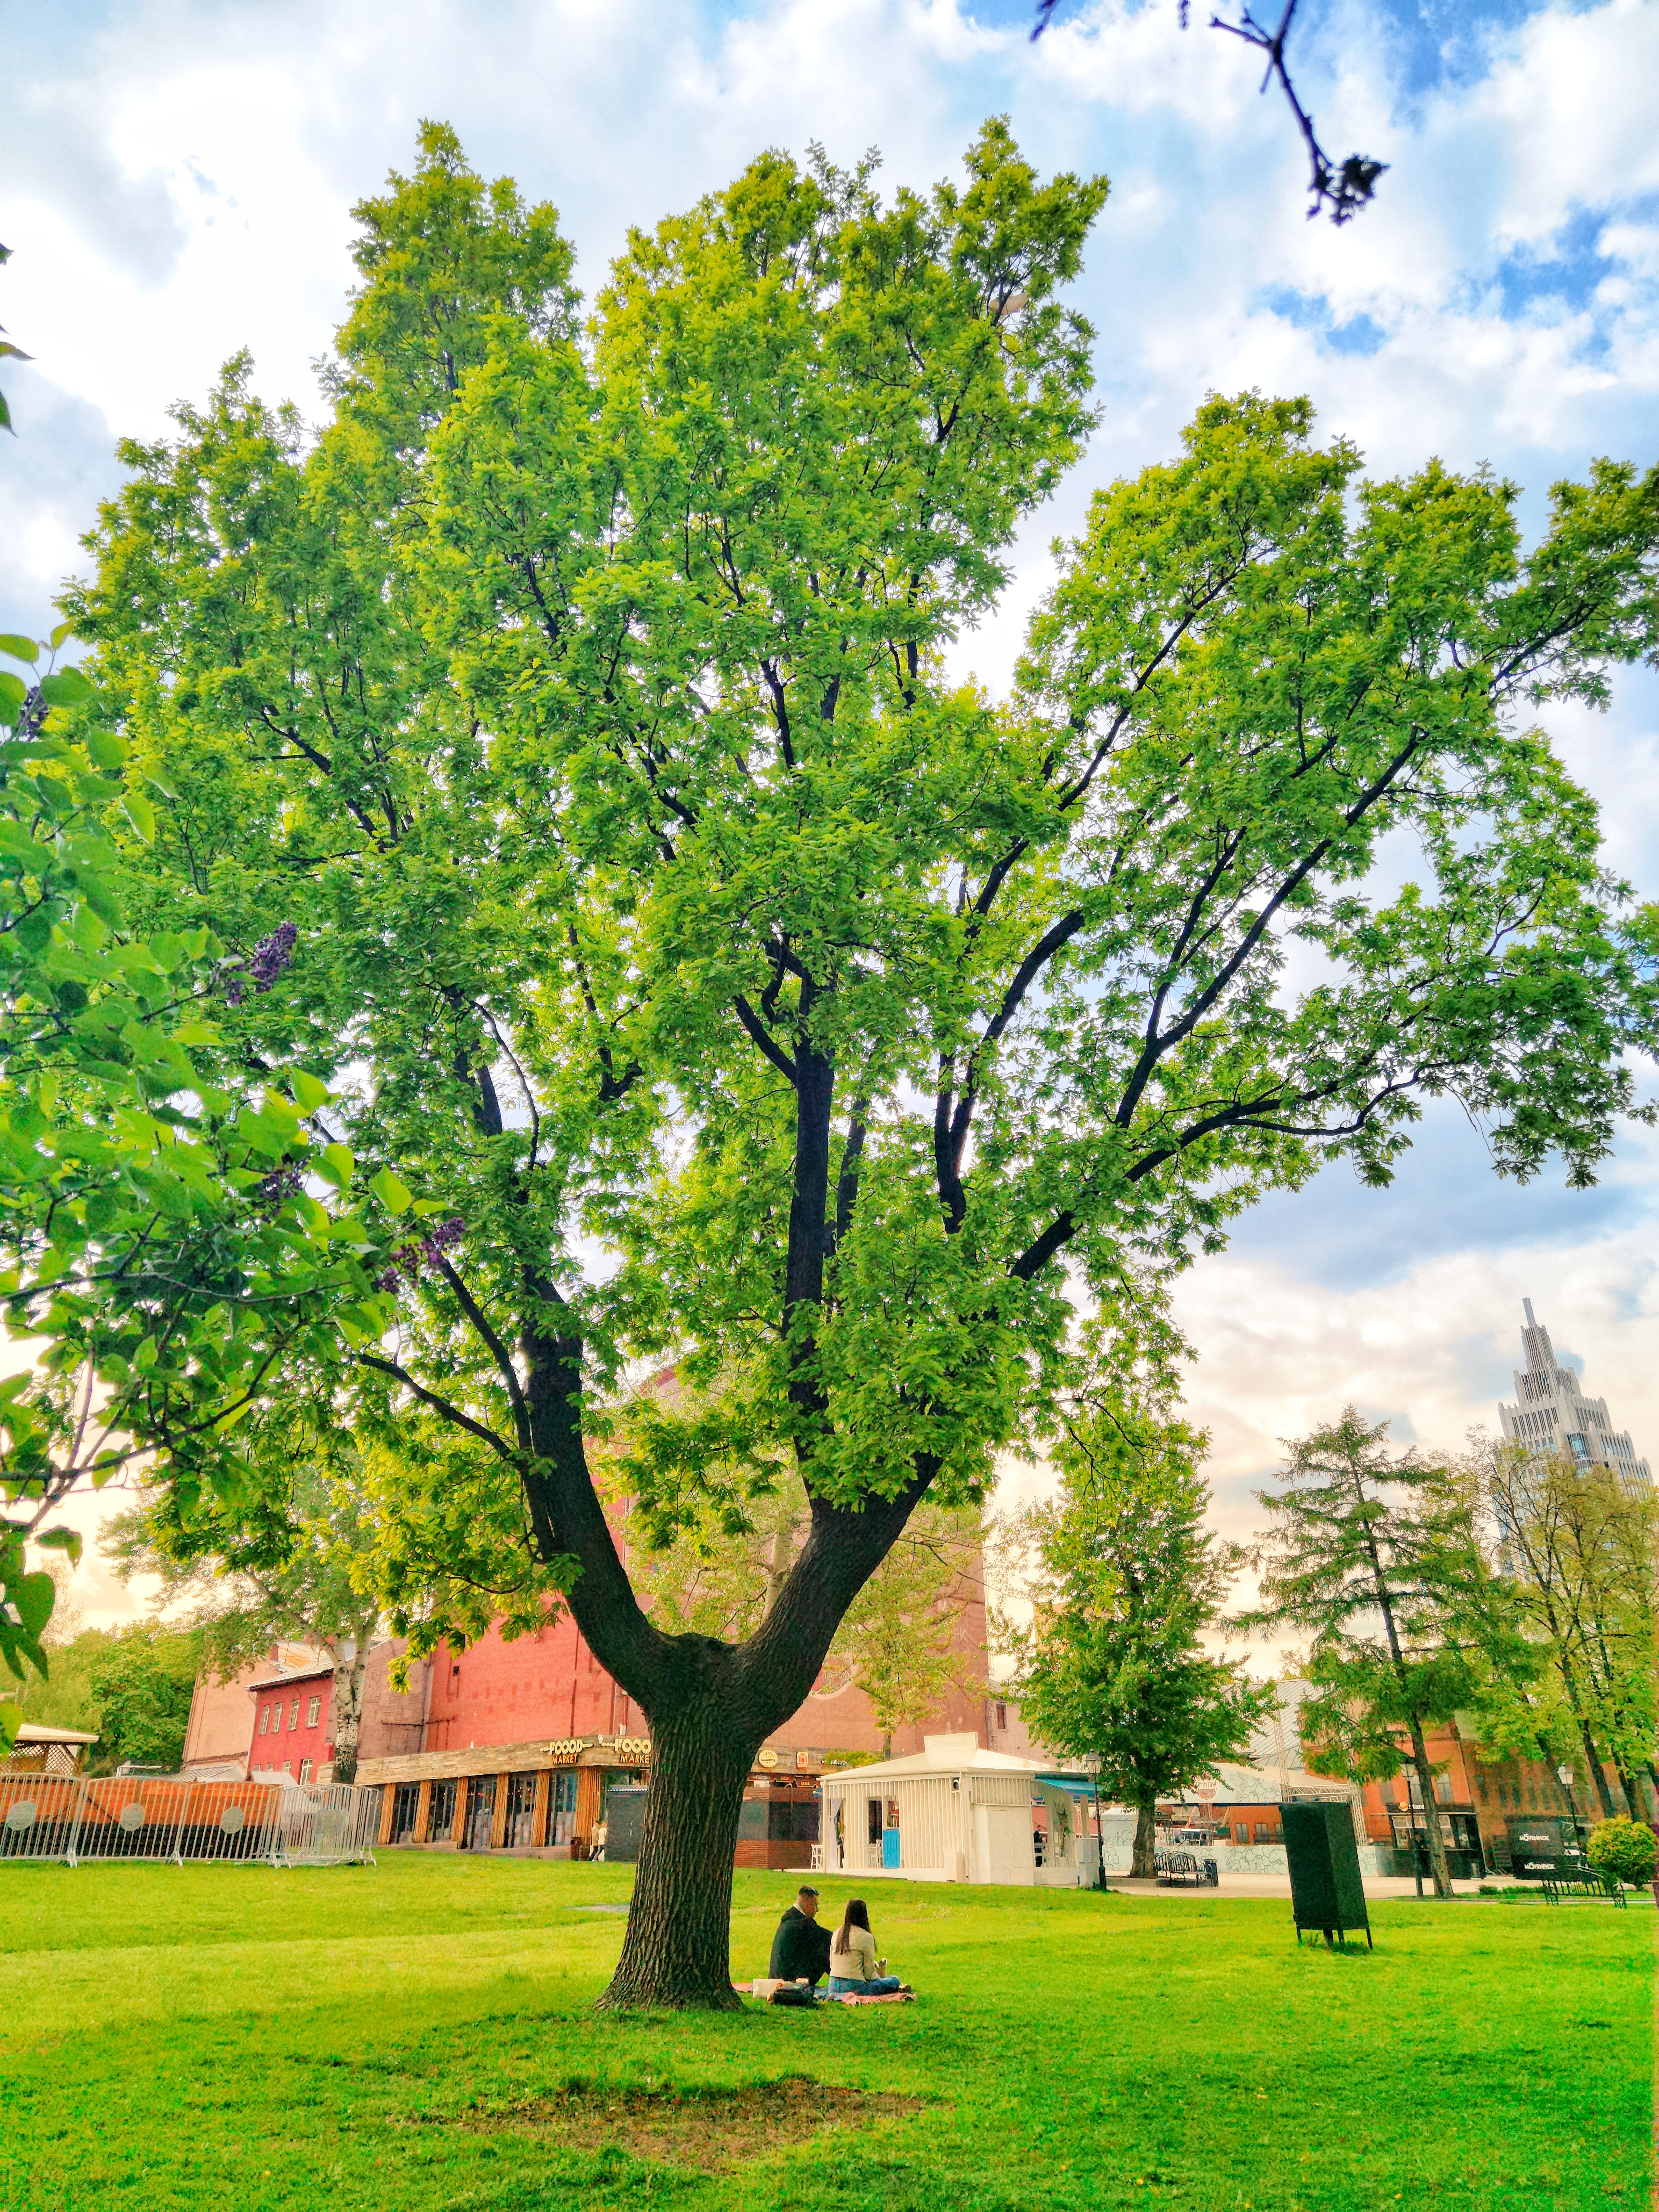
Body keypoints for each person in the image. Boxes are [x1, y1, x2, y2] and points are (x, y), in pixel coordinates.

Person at [826, 1898, 904, 1996]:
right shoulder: (866, 1937)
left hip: (833, 1985)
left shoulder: (837, 1933)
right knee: (894, 1981)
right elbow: (870, 1975)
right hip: (855, 1987)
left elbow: (832, 1963)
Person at [768, 1884, 833, 1986]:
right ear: (807, 1904)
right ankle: (841, 1982)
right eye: (816, 1905)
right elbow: (828, 1937)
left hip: (776, 1977)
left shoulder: (789, 1918)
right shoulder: (803, 1923)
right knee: (823, 1948)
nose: (817, 1910)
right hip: (789, 1981)